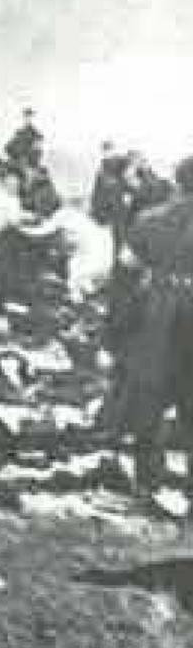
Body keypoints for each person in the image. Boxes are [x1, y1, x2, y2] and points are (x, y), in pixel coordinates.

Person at [103, 155, 193, 498]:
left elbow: (124, 273)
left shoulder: (149, 219)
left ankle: (147, 482)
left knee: (149, 398)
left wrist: (116, 326)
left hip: (156, 316)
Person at [5, 108, 43, 180]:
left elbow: (37, 151)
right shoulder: (19, 132)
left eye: (29, 117)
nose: (27, 119)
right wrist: (12, 153)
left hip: (27, 163)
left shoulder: (35, 134)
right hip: (16, 161)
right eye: (26, 116)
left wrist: (28, 160)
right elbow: (9, 146)